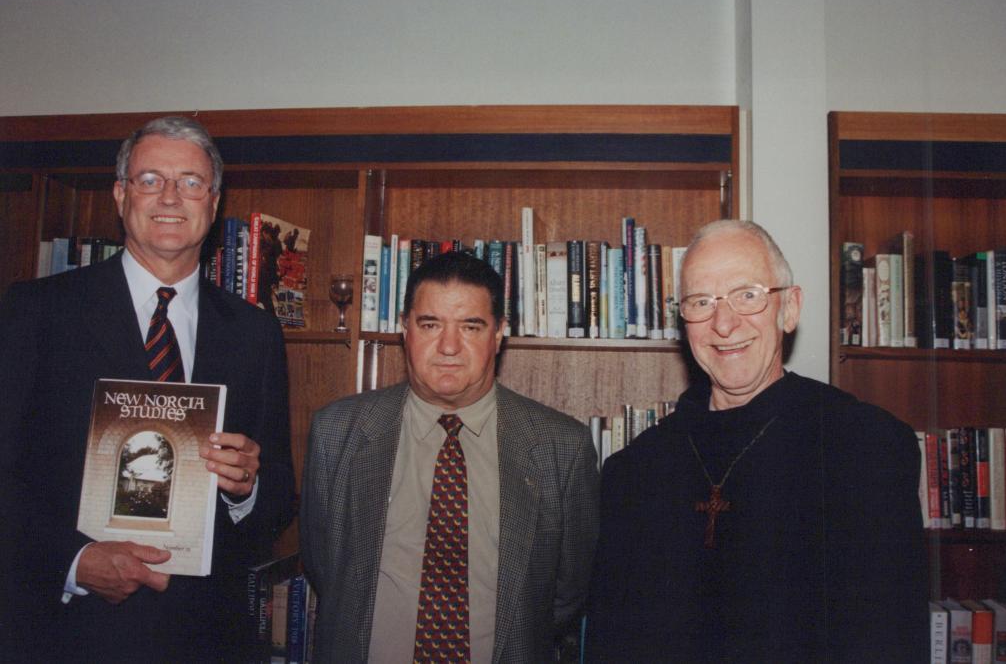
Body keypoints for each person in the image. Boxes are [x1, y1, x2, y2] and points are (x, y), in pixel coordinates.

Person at [0, 116, 295, 662]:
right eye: (150, 179)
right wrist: (72, 563)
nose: (170, 197)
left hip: (206, 637)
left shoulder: (254, 332)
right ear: (120, 194)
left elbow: (276, 502)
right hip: (67, 632)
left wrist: (246, 487)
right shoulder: (34, 312)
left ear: (213, 202)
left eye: (190, 182)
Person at [584, 220, 928, 662]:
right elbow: (612, 642)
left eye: (747, 295)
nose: (724, 324)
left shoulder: (868, 446)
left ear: (789, 308)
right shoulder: (634, 470)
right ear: (682, 321)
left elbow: (892, 640)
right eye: (701, 301)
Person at [301, 251, 600, 663]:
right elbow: (326, 568)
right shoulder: (337, 432)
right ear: (405, 328)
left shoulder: (562, 447)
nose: (448, 346)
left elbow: (564, 596)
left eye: (471, 326)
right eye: (430, 324)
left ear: (498, 334)